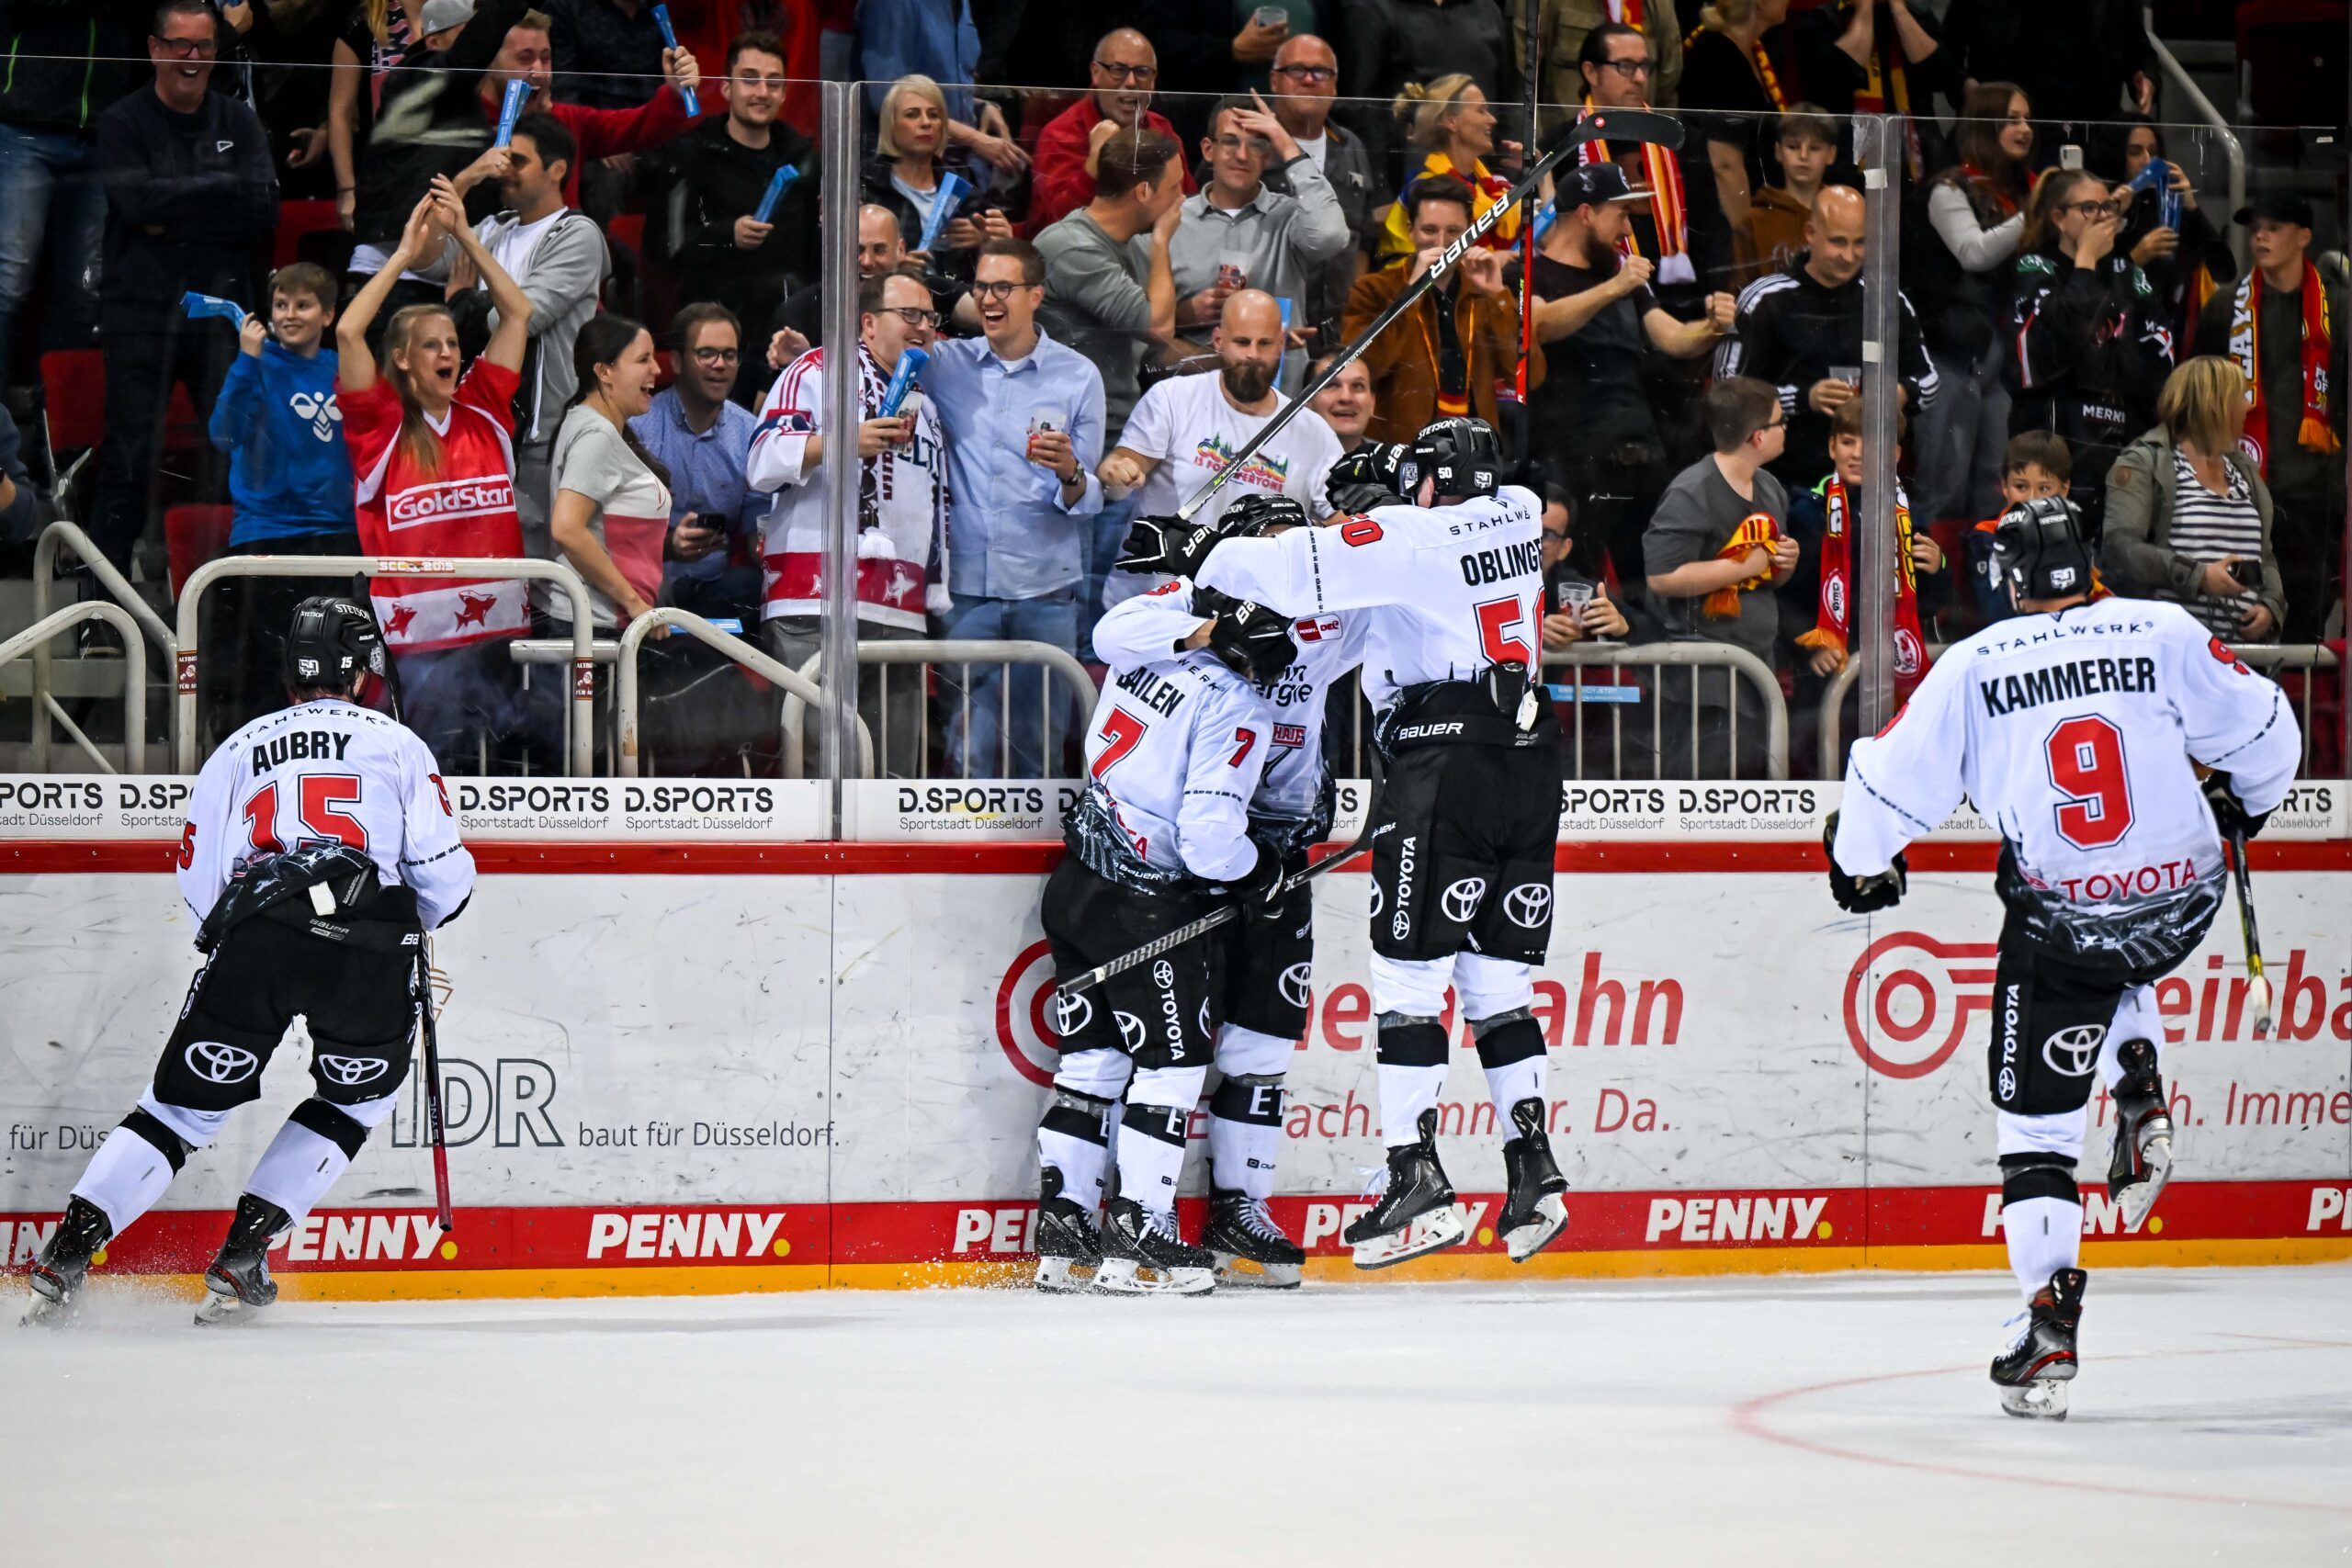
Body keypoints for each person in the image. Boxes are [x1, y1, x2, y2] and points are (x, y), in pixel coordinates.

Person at [1826, 494, 2299, 1419]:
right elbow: (2267, 729)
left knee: (2036, 1127)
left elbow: (1883, 789)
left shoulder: (1973, 666)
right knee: (2116, 940)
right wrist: (2248, 801)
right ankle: (2135, 1080)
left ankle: (2047, 1322)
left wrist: (1857, 866)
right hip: (2184, 899)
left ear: (2004, 578)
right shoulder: (2159, 628)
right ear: (2084, 564)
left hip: (2068, 924)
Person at [1177, 415, 1570, 1269]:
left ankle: (1414, 1174)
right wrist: (1393, 485)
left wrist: (1197, 544)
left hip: (1445, 757)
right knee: (1498, 982)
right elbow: (1436, 512)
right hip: (1531, 758)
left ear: (1424, 487)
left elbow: (1280, 565)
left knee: (1408, 976)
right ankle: (1534, 1171)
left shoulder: (1407, 536)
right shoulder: (1520, 512)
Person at [24, 597, 477, 1328]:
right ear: (363, 671)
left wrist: (248, 939)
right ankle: (243, 1254)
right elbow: (445, 879)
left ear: (290, 672)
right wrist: (400, 932)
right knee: (353, 1100)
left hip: (258, 940)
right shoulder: (397, 744)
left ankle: (67, 1253)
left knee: (177, 1109)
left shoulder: (238, 746)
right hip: (364, 953)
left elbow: (201, 879)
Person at [1088, 493, 1359, 1286]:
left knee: (1261, 1043)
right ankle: (1141, 1219)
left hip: (1278, 843)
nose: (1281, 553)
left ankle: (1244, 1206)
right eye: (1265, 540)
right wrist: (1209, 625)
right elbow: (1109, 633)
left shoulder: (1332, 610)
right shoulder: (1195, 602)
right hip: (1203, 851)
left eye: (1292, 540)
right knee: (1174, 1050)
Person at [1029, 583, 1294, 1295]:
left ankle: (1066, 1229)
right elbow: (1208, 842)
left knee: (1091, 1062)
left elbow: (1112, 627)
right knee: (1172, 1067)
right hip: (1145, 905)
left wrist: (1202, 627)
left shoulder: (1150, 643)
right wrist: (1262, 868)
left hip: (1076, 882)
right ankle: (1142, 1232)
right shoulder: (1236, 703)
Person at [338, 185, 536, 768]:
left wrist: (467, 238)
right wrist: (404, 255)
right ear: (401, 358)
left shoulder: (484, 408)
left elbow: (518, 312)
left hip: (501, 630)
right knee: (435, 776)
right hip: (420, 645)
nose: (448, 352)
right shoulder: (379, 424)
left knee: (506, 775)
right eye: (432, 345)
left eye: (452, 343)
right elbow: (349, 333)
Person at [89, 0, 279, 571]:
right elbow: (134, 200)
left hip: (220, 314)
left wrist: (172, 205)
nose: (193, 59)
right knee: (129, 458)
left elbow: (263, 209)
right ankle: (101, 609)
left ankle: (234, 598)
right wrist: (222, 187)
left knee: (239, 457)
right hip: (139, 313)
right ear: (155, 49)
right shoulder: (123, 120)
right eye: (181, 46)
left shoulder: (237, 120)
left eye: (204, 46)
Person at [748, 265, 949, 780]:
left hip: (898, 605)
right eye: (908, 313)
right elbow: (761, 461)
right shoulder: (816, 371)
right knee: (821, 767)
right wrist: (841, 440)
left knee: (895, 769)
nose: (922, 325)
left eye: (929, 315)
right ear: (867, 324)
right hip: (815, 596)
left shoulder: (923, 408)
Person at [928, 238, 1106, 778]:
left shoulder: (1080, 376)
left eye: (1003, 287)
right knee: (965, 740)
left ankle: (1035, 862)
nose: (988, 299)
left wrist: (1069, 470)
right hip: (965, 590)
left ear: (1035, 295)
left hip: (1045, 590)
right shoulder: (942, 364)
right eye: (981, 287)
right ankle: (963, 852)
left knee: (1038, 746)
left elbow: (1088, 496)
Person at [1531, 162, 1736, 585]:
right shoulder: (1534, 272)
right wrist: (1614, 288)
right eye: (1621, 214)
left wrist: (1713, 325)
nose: (1627, 230)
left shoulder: (1622, 274)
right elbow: (1539, 325)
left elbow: (1673, 337)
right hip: (1570, 450)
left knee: (1654, 565)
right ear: (1586, 213)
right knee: (1579, 573)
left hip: (1636, 444)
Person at [1098, 288, 1344, 612]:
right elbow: (1125, 464)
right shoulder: (1173, 398)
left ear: (1282, 343)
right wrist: (1116, 469)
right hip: (1158, 606)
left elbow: (1343, 524)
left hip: (1252, 615)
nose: (1253, 354)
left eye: (1265, 344)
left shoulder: (1314, 433)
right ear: (1218, 340)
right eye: (1242, 342)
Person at [1035, 128, 1184, 643]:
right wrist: (1163, 240)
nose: (1180, 201)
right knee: (1073, 613)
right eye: (1174, 189)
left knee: (1102, 610)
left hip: (1119, 451)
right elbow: (1158, 325)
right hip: (1068, 457)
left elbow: (1160, 348)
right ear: (1144, 192)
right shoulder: (1072, 247)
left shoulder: (1132, 250)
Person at [204, 263, 362, 739]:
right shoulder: (255, 361)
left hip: (336, 537)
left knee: (337, 667)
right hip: (265, 536)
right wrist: (247, 360)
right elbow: (223, 434)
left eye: (303, 305)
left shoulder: (341, 369)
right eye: (280, 305)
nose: (289, 314)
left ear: (328, 315)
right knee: (267, 669)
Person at [445, 114, 610, 544]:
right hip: (477, 427)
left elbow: (520, 318)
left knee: (533, 570)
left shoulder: (578, 234)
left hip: (540, 435)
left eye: (518, 160)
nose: (504, 169)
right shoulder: (493, 229)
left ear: (557, 170)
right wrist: (464, 179)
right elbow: (423, 254)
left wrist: (462, 304)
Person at [2194, 194, 2346, 644]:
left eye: (2274, 227)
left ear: (2304, 237)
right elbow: (2195, 397)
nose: (2260, 235)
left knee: (2305, 621)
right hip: (2238, 492)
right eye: (2255, 227)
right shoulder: (2225, 308)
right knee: (2232, 621)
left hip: (2315, 493)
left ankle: (2294, 713)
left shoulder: (2340, 309)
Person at [1715, 185, 1936, 492]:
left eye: (1860, 243)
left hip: (1866, 484)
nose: (1849, 256)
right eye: (1838, 242)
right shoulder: (1764, 299)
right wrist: (1804, 398)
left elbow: (1930, 382)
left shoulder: (1887, 300)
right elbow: (1726, 392)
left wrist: (1899, 393)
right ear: (1810, 233)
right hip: (1782, 481)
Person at [1643, 378, 1799, 777]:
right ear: (1758, 437)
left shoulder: (1770, 487)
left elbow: (1767, 579)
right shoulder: (1692, 491)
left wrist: (1785, 562)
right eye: (1781, 422)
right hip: (1706, 683)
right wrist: (1742, 567)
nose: (1787, 430)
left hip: (1755, 671)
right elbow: (1661, 575)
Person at [348, 0, 532, 338]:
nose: (484, 50)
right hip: (392, 275)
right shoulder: (414, 77)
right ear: (434, 41)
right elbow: (466, 59)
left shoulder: (464, 104)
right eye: (468, 36)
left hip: (440, 272)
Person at [2005, 169, 2174, 535]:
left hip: (2120, 436)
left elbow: (2158, 358)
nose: (2101, 216)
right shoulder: (2035, 267)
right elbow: (2048, 345)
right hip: (2056, 439)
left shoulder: (2129, 274)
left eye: (2108, 206)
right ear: (2058, 219)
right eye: (2088, 207)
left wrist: (2096, 364)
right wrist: (2084, 263)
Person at [1912, 83, 2032, 529]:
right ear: (1985, 124)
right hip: (1950, 354)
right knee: (1944, 486)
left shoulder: (2022, 190)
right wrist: (2035, 215)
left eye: (2027, 118)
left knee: (1991, 488)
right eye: (2012, 118)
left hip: (1998, 360)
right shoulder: (1948, 189)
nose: (2025, 128)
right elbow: (1973, 252)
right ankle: (1929, 594)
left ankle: (1982, 593)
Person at [656, 31, 815, 367]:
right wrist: (728, 237)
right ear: (726, 88)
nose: (762, 92)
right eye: (749, 80)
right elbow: (665, 245)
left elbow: (817, 250)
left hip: (788, 318)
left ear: (785, 93)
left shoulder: (804, 159)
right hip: (716, 312)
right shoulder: (693, 153)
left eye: (774, 83)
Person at [2101, 356, 2288, 643]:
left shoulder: (2245, 470)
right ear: (2212, 403)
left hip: (2244, 662)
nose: (2248, 406)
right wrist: (2197, 576)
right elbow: (2121, 548)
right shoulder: (2146, 462)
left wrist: (2271, 606)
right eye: (2239, 396)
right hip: (2171, 656)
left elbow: (2266, 556)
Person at [0, 3, 141, 374]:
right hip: (23, 125)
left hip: (101, 131)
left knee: (82, 292)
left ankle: (55, 422)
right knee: (8, 284)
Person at [1168, 92, 1352, 365]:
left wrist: (1288, 146)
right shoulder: (1172, 221)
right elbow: (1137, 322)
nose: (1242, 155)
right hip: (1195, 393)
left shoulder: (1290, 216)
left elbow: (1331, 236)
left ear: (1268, 155)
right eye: (1230, 142)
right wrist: (1181, 314)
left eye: (1257, 144)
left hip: (1277, 396)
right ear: (1208, 150)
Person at [462, 8, 702, 215]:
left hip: (560, 258)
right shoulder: (457, 124)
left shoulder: (566, 120)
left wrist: (675, 93)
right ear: (489, 61)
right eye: (525, 58)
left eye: (545, 59)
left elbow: (639, 127)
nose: (540, 71)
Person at [1344, 178, 1529, 441]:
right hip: (1400, 450)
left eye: (1454, 231)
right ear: (1411, 231)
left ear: (1470, 232)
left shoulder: (1485, 290)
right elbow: (1365, 370)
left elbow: (1527, 378)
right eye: (1429, 230)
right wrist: (1410, 294)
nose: (1441, 242)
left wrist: (1499, 296)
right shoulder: (1373, 290)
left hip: (1473, 451)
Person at [1567, 24, 1730, 295]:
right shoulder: (1564, 146)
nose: (1641, 78)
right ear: (1591, 72)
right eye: (1626, 67)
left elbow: (1711, 226)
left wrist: (1711, 297)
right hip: (1598, 301)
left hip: (1680, 300)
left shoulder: (1681, 140)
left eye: (1645, 67)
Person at [632, 302, 763, 623]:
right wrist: (669, 546)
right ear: (676, 361)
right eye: (707, 353)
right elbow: (614, 531)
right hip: (643, 581)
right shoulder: (639, 425)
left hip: (713, 587)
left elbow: (756, 528)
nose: (720, 365)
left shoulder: (750, 433)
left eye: (729, 355)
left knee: (751, 586)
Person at [547, 314, 671, 641]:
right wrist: (634, 603)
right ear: (604, 372)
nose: (656, 370)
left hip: (598, 622)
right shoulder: (596, 435)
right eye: (643, 359)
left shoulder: (590, 425)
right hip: (595, 625)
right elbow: (567, 529)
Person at [1261, 34, 1381, 344]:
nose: (1310, 80)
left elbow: (1362, 239)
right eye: (1297, 70)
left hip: (1340, 328)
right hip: (1271, 328)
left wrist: (1358, 312)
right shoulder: (1249, 144)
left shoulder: (1352, 146)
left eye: (1321, 72)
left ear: (1335, 85)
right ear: (1274, 81)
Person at [1024, 28, 1196, 239]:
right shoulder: (1060, 134)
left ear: (1153, 81)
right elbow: (1058, 226)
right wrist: (1094, 165)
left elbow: (1187, 205)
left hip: (1152, 249)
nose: (1131, 82)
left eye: (1142, 72)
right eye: (1118, 70)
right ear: (1095, 72)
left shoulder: (1162, 130)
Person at [1332, 0, 1511, 189]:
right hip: (1402, 178)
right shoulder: (1370, 8)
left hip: (1484, 179)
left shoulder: (1487, 9)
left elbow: (1506, 98)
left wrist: (1507, 174)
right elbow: (1361, 106)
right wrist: (1378, 190)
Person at [864, 73, 1007, 291]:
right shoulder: (864, 182)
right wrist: (893, 268)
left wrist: (984, 242)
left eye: (934, 115)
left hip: (952, 302)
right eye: (912, 115)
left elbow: (987, 273)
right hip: (883, 299)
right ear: (891, 125)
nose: (925, 123)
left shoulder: (963, 190)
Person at [1677, 0, 1793, 260]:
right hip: (1721, 221)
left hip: (1754, 209)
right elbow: (1724, 164)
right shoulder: (1716, 55)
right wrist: (1747, 240)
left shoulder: (1760, 51)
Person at [1375, 74, 1517, 263]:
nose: (1492, 120)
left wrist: (1543, 173)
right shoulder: (1423, 189)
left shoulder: (1495, 186)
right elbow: (1402, 267)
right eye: (1481, 110)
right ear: (1451, 121)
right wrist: (1488, 262)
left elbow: (1548, 235)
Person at [1515, 0, 1684, 133]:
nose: (1640, 77)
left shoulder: (1658, 4)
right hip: (1567, 148)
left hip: (1641, 147)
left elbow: (1667, 86)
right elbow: (1525, 81)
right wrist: (1542, 156)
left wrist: (1663, 148)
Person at [1965, 431, 2073, 624]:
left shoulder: (2075, 537)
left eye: (2044, 488)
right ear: (2004, 486)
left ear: (2063, 490)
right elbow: (1995, 613)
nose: (2031, 498)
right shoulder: (1986, 538)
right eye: (2021, 487)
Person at [1747, 106, 1834, 276]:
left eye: (1815, 148)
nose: (1803, 156)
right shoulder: (1754, 220)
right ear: (1778, 152)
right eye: (1793, 147)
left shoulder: (1845, 217)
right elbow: (1741, 289)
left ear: (1831, 154)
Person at [1307, 351, 1376, 455]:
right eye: (1331, 385)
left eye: (1357, 386)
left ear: (1372, 403)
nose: (1346, 397)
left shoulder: (1395, 466)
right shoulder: (1282, 462)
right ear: (1308, 402)